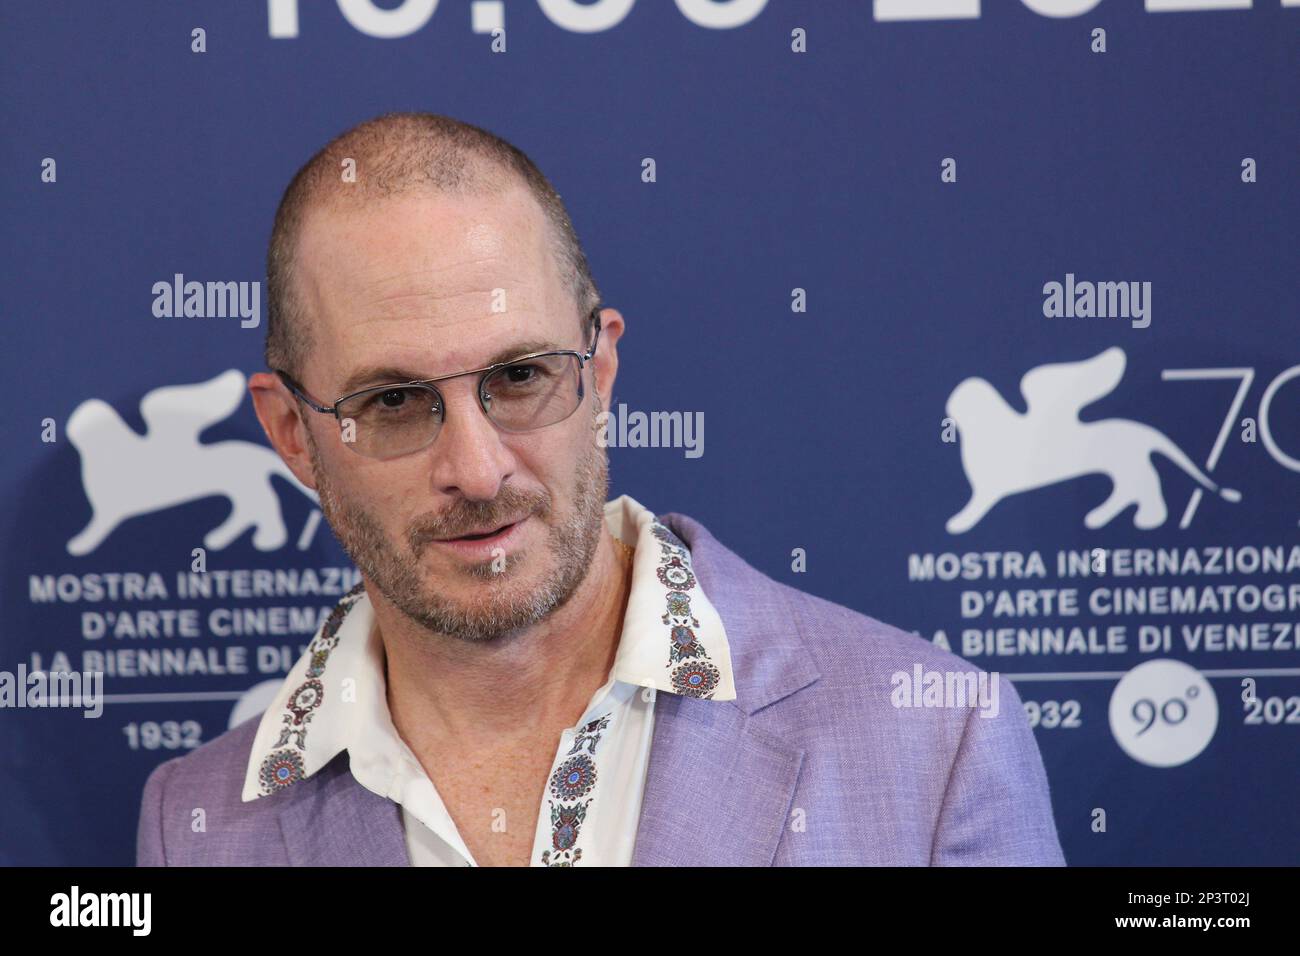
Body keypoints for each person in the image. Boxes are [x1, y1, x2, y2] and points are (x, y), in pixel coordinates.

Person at [136, 112, 1065, 867]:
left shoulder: (935, 739)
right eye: (393, 402)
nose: (478, 469)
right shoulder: (196, 827)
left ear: (603, 369)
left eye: (520, 377)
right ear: (292, 434)